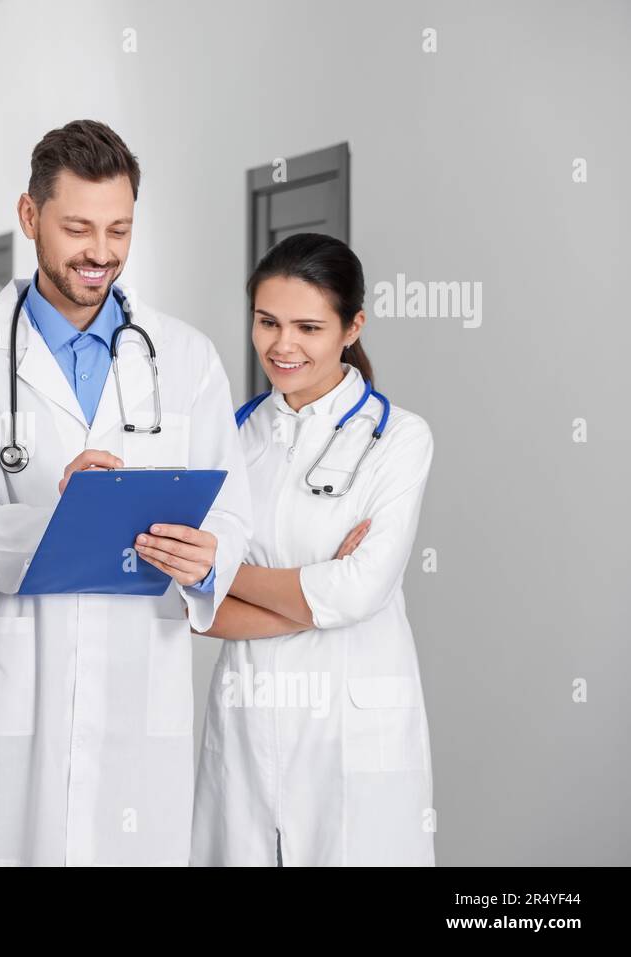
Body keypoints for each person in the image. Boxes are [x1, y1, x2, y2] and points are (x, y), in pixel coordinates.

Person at [0, 120, 254, 865]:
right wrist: (64, 523)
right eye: (78, 227)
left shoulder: (186, 357)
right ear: (30, 217)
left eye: (120, 229)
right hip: (12, 695)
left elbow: (231, 502)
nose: (101, 251)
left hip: (140, 688)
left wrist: (206, 553)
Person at [192, 233, 435, 866]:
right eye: (267, 322)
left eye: (308, 326)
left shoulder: (399, 438)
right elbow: (189, 602)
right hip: (246, 726)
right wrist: (316, 589)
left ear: (352, 327)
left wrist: (228, 572)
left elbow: (362, 589)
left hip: (351, 732)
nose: (282, 345)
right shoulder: (230, 438)